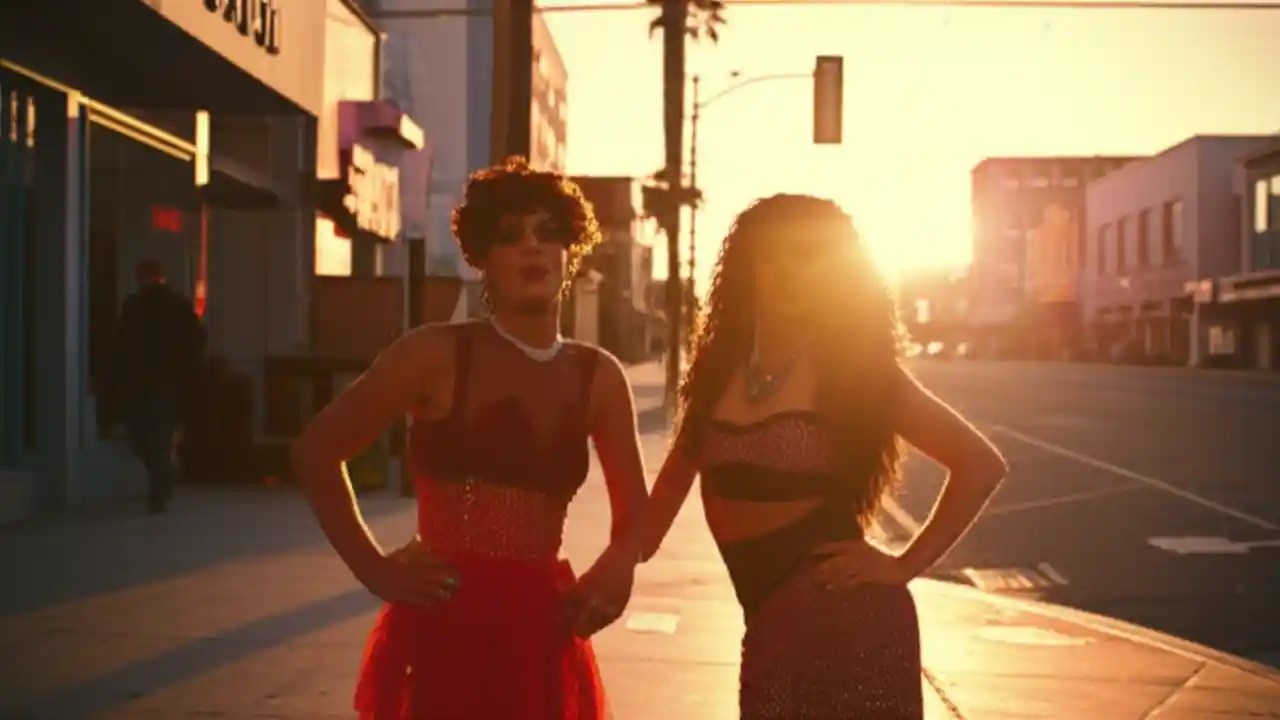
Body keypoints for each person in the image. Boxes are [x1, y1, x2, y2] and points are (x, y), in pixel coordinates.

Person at [290, 157, 649, 720]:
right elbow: (316, 451)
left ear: (569, 253)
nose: (532, 248)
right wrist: (374, 568)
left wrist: (619, 565)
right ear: (483, 259)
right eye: (510, 237)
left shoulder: (598, 375)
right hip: (444, 622)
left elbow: (635, 516)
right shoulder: (434, 353)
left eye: (547, 233)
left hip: (543, 628)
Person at [638, 195, 1008, 719]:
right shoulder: (718, 370)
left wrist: (903, 565)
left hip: (853, 624)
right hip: (766, 626)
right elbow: (656, 514)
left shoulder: (857, 371)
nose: (792, 271)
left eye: (810, 257)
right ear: (749, 266)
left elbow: (981, 465)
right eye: (776, 255)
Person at [114, 259, 206, 514]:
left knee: (145, 435)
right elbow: (196, 341)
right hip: (163, 381)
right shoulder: (173, 304)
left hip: (149, 381)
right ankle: (161, 481)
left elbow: (122, 344)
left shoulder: (139, 305)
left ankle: (159, 485)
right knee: (157, 436)